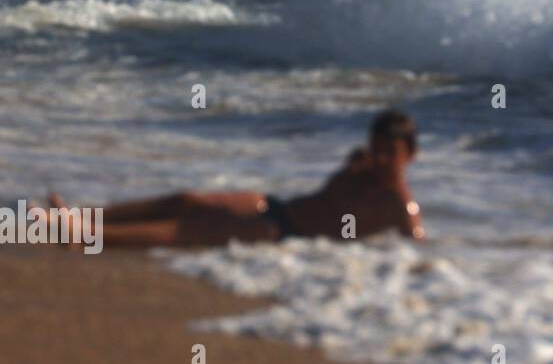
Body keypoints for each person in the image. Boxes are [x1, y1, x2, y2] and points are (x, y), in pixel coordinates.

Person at [43, 110, 425, 249]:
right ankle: (82, 216)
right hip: (275, 207)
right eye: (377, 150)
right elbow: (328, 198)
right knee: (186, 199)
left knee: (184, 230)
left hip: (282, 236)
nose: (382, 159)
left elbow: (416, 248)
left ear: (410, 154)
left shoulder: (399, 204)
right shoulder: (361, 172)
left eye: (390, 153)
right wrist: (351, 170)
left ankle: (84, 235)